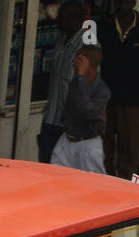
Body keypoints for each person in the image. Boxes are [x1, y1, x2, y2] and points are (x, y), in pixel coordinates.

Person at [98, 0, 139, 180]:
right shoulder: (104, 25)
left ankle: (126, 186)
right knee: (104, 145)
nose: (122, 4)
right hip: (105, 96)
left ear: (133, 2)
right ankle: (105, 182)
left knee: (129, 146)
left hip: (131, 96)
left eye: (126, 0)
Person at [38, 1, 89, 163]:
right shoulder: (62, 40)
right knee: (44, 168)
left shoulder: (87, 48)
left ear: (77, 20)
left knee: (63, 173)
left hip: (69, 126)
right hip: (51, 118)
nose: (59, 21)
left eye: (64, 18)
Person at [50, 46, 110, 174]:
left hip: (87, 143)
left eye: (79, 60)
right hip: (67, 140)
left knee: (92, 185)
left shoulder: (102, 90)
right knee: (56, 175)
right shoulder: (76, 82)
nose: (74, 62)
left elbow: (87, 110)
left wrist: (82, 76)